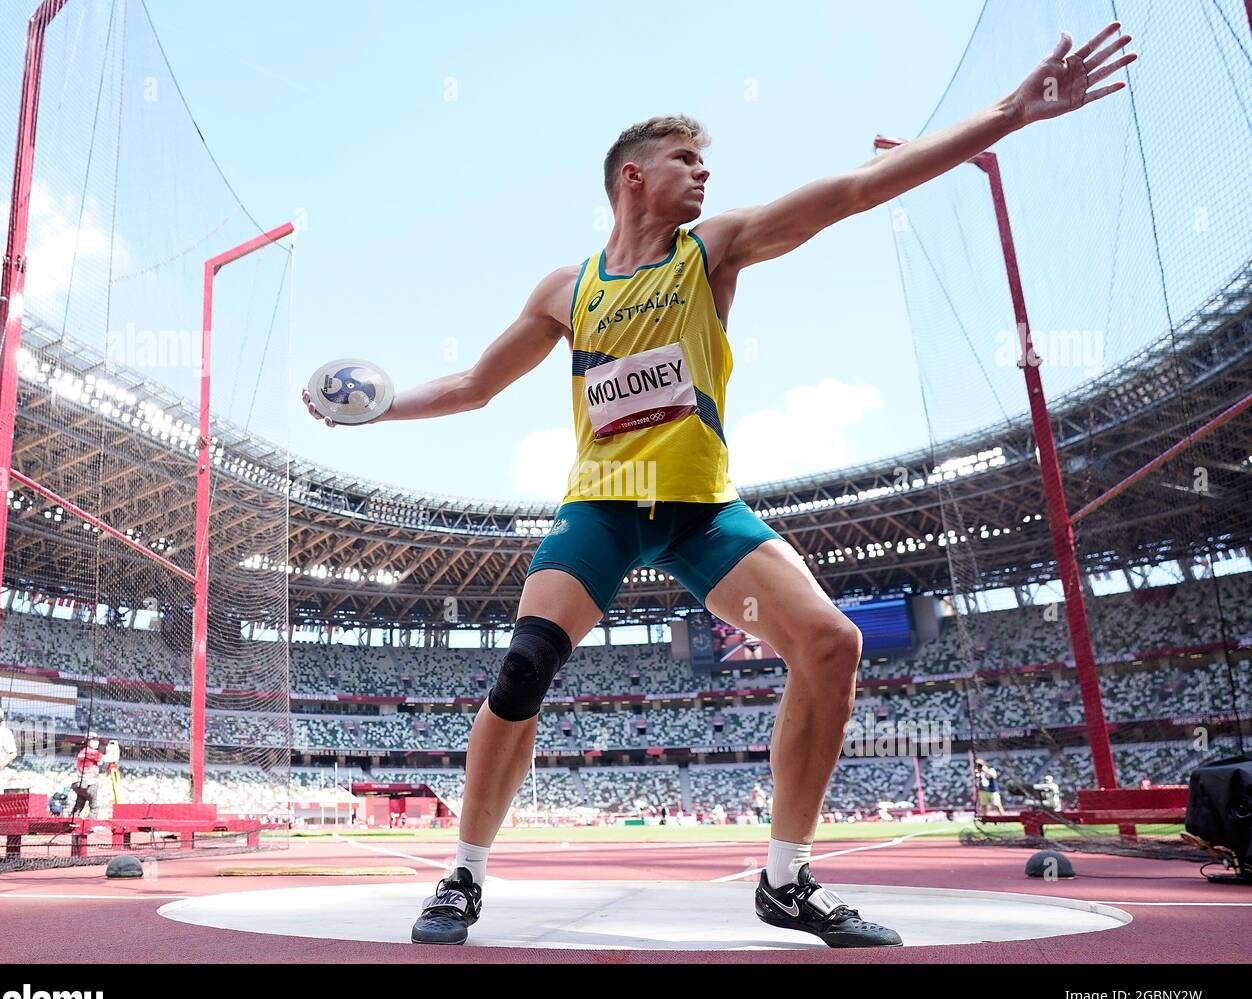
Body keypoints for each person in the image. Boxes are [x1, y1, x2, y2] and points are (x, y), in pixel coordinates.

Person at [304, 23, 1135, 949]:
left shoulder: (715, 250)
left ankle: (787, 880)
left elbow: (857, 192)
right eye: (685, 159)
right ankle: (463, 876)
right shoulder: (562, 291)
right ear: (632, 175)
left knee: (830, 644)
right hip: (604, 512)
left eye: (706, 162)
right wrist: (373, 408)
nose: (704, 175)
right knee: (524, 665)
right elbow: (469, 387)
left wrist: (1010, 115)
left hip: (703, 513)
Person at [70, 736, 103, 819]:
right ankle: (90, 825)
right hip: (90, 783)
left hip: (80, 783)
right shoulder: (94, 753)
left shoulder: (81, 752)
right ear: (88, 742)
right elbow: (102, 761)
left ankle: (73, 821)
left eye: (97, 741)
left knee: (79, 804)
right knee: (94, 806)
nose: (97, 743)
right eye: (94, 740)